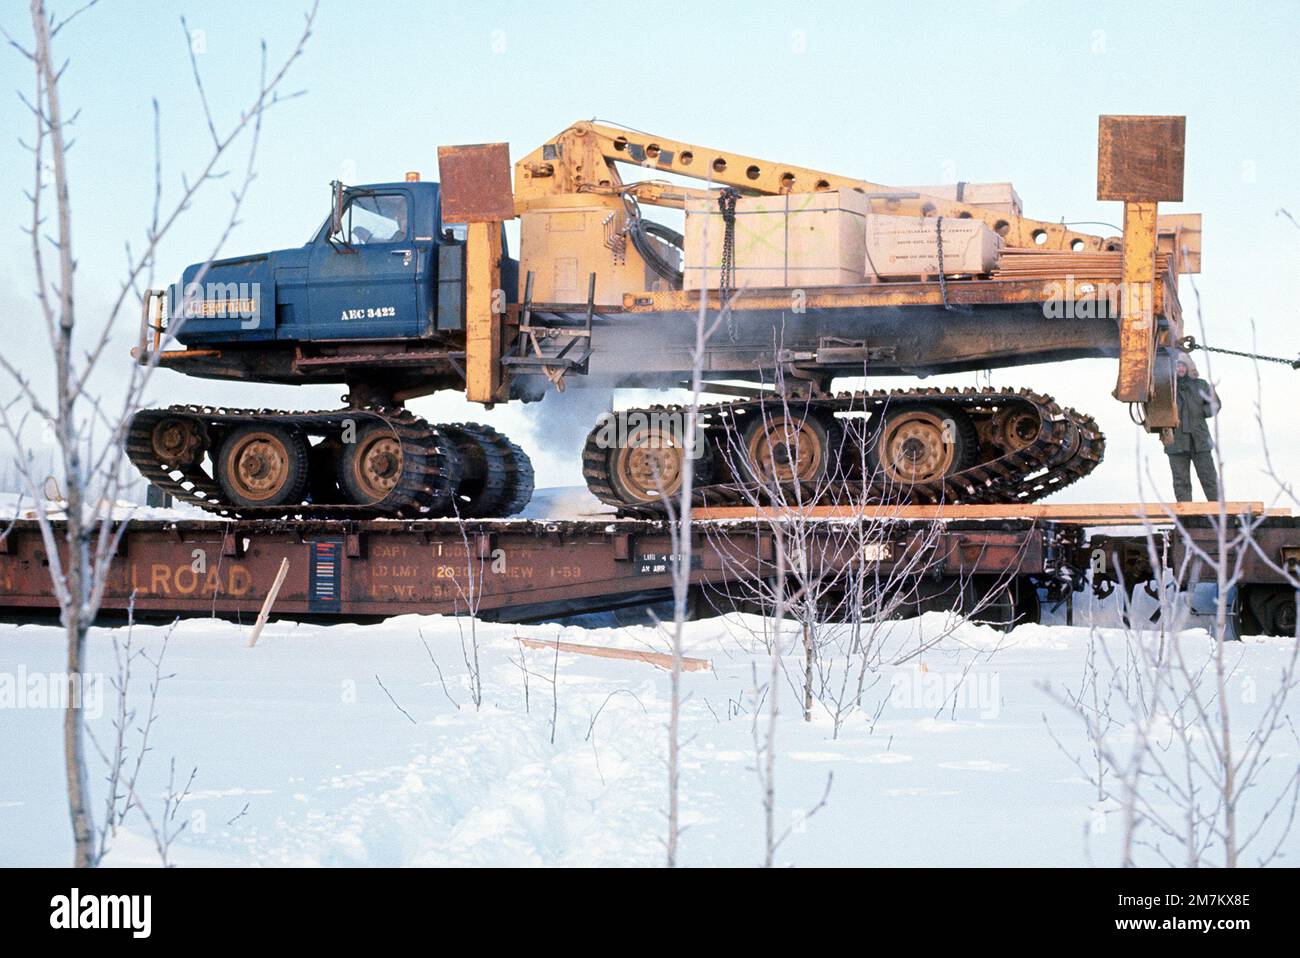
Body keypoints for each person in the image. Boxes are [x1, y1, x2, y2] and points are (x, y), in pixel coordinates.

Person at [1163, 354, 1221, 502]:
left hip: (1199, 440)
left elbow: (1215, 404)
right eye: (1176, 366)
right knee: (1181, 482)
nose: (1180, 369)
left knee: (1209, 479)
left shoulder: (1201, 385)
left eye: (1182, 365)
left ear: (1188, 367)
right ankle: (1185, 519)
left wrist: (1202, 412)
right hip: (1176, 441)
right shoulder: (1165, 388)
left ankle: (1219, 515)